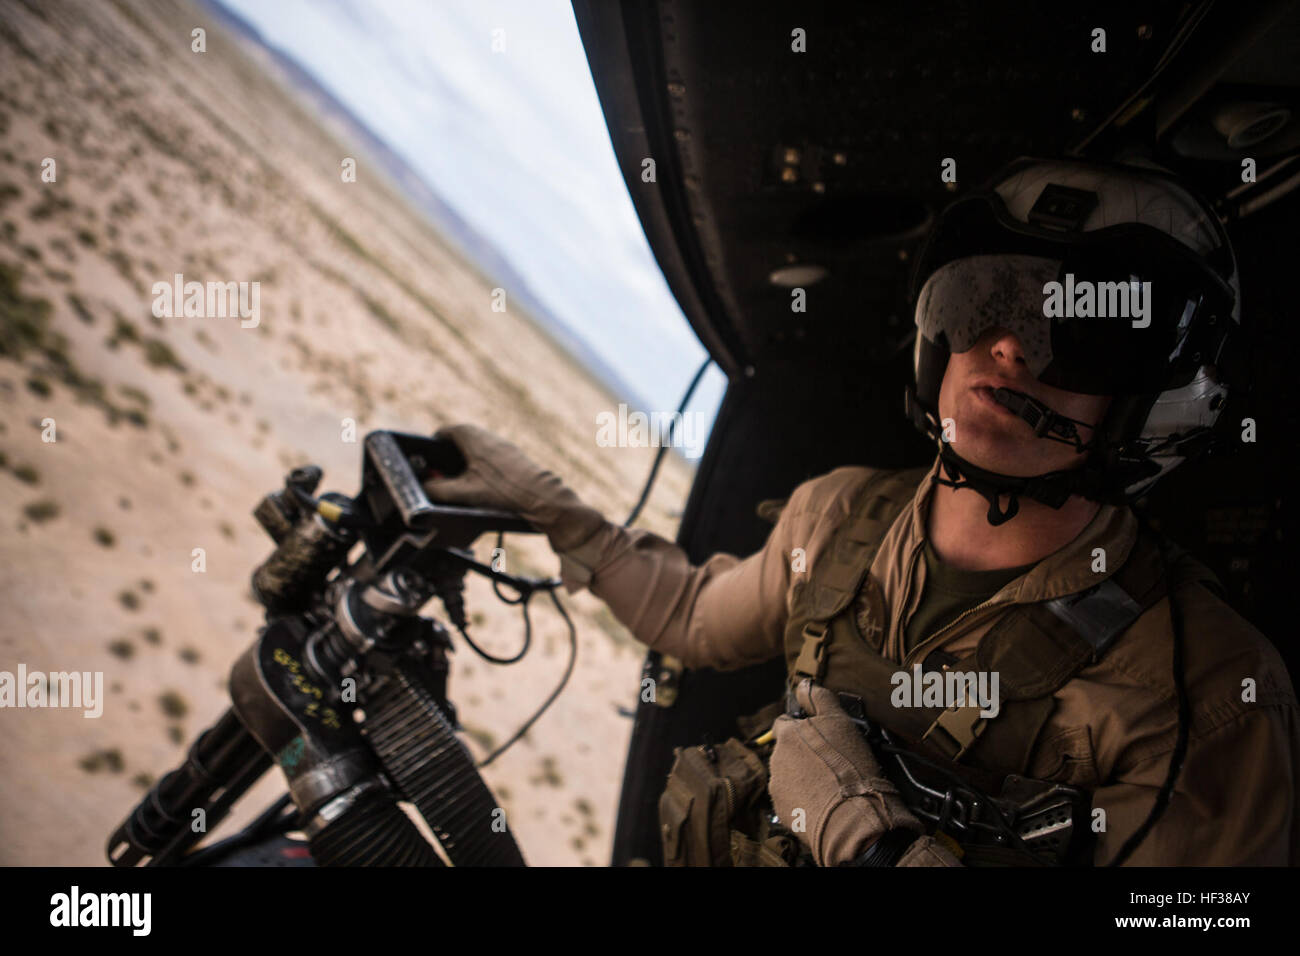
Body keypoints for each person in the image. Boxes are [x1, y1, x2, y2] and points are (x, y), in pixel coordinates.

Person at [424, 157, 1299, 866]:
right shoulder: (840, 515)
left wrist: (873, 848)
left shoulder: (1211, 695)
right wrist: (553, 512)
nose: (1006, 346)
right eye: (988, 302)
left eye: (1084, 331)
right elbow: (694, 614)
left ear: (1166, 402)